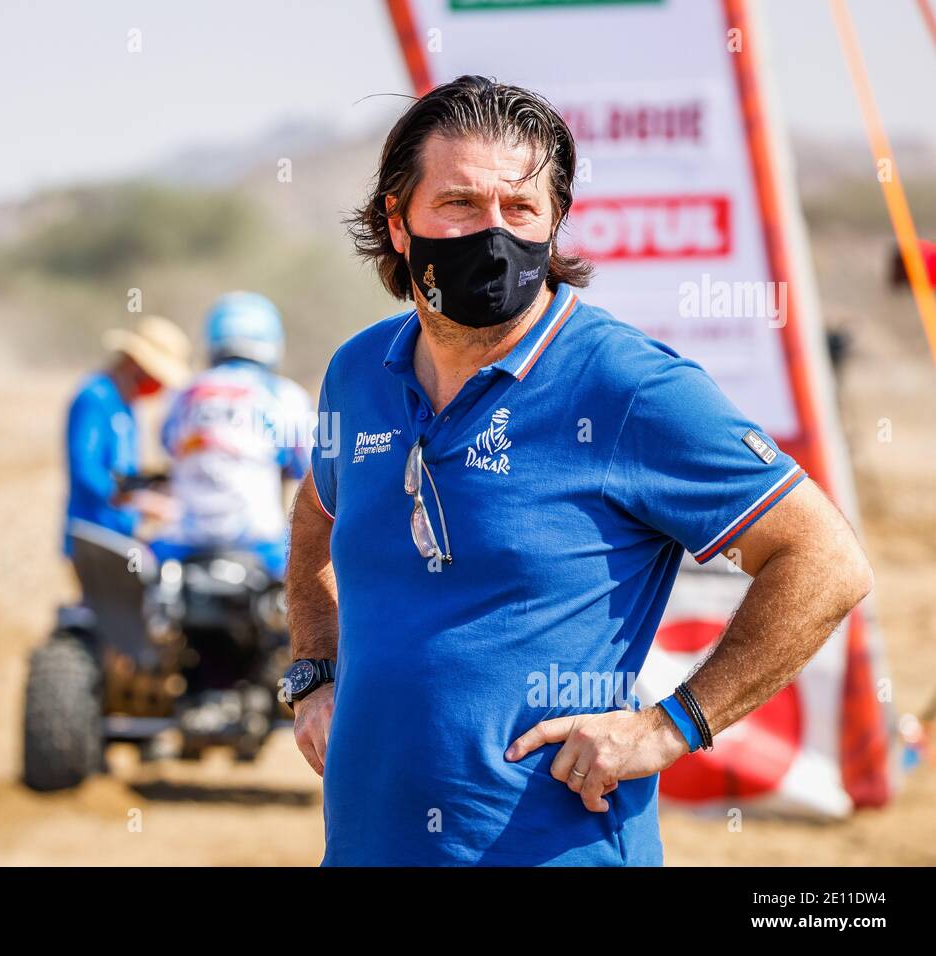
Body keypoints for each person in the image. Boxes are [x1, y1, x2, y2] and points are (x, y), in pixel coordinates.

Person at [282, 76, 873, 866]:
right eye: (459, 204)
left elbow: (826, 559)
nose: (492, 234)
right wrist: (314, 672)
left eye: (520, 210)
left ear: (554, 223)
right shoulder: (358, 372)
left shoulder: (627, 386)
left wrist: (671, 726)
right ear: (397, 223)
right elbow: (317, 519)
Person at [152, 292, 312, 579]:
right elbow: (308, 468)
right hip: (260, 543)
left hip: (185, 541)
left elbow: (167, 445)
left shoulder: (182, 393)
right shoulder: (286, 395)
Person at [63, 314, 190, 561]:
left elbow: (124, 474)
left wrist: (158, 483)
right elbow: (86, 470)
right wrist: (141, 501)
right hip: (93, 535)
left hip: (120, 533)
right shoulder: (95, 397)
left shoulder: (127, 403)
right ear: (136, 364)